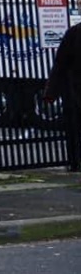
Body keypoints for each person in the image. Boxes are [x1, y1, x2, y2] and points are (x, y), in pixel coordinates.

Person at [44, 19, 81, 170]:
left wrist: (51, 92)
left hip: (78, 88)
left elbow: (61, 63)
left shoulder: (74, 33)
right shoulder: (75, 33)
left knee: (76, 128)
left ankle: (75, 162)